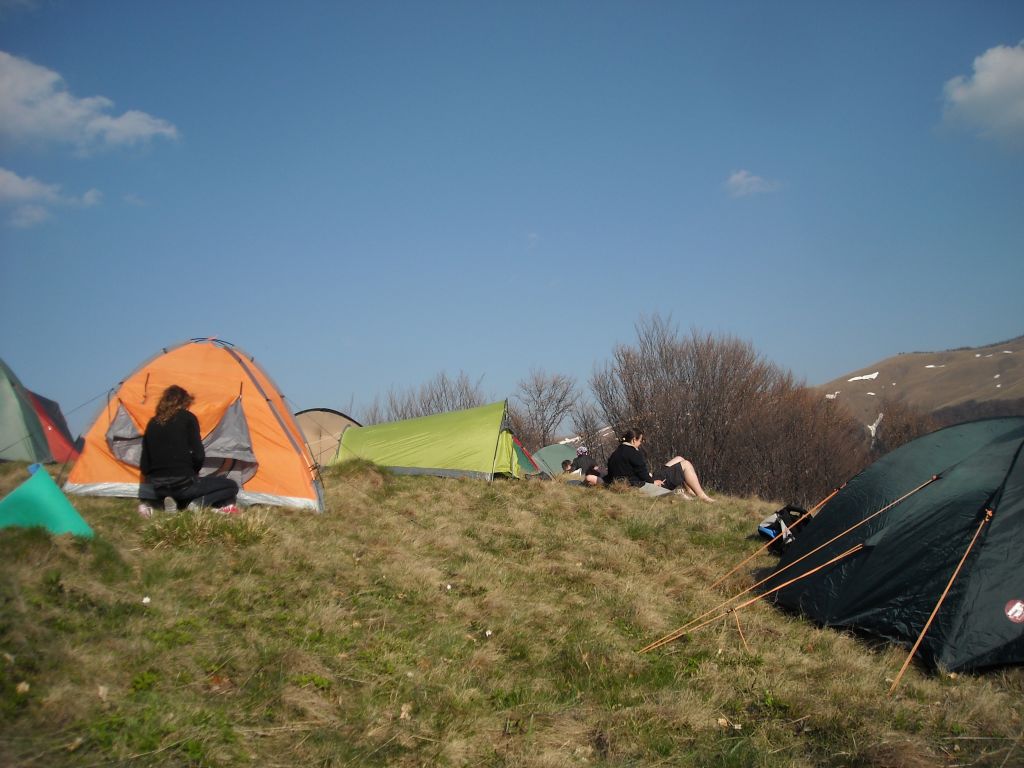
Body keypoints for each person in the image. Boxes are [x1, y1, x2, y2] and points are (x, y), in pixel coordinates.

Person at [138, 385, 240, 516]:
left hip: (159, 489)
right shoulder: (187, 418)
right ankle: (198, 503)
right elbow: (198, 455)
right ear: (184, 402)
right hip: (184, 485)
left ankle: (171, 503)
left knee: (180, 493)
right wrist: (193, 473)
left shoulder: (152, 423)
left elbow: (144, 465)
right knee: (231, 486)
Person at [604, 428, 714, 501]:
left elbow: (613, 476)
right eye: (641, 440)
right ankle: (702, 496)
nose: (641, 443)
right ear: (634, 440)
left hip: (639, 482)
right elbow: (642, 472)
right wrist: (653, 481)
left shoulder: (615, 454)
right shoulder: (633, 453)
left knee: (679, 458)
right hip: (645, 486)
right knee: (686, 464)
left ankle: (690, 491)